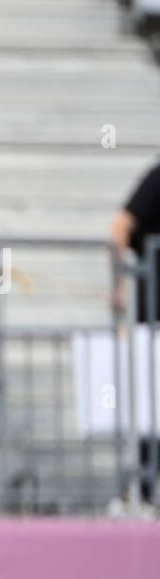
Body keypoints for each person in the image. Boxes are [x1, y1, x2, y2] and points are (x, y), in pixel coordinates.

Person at [110, 161, 160, 503]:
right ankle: (145, 495)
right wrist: (119, 289)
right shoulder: (158, 179)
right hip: (154, 326)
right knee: (152, 418)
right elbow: (119, 229)